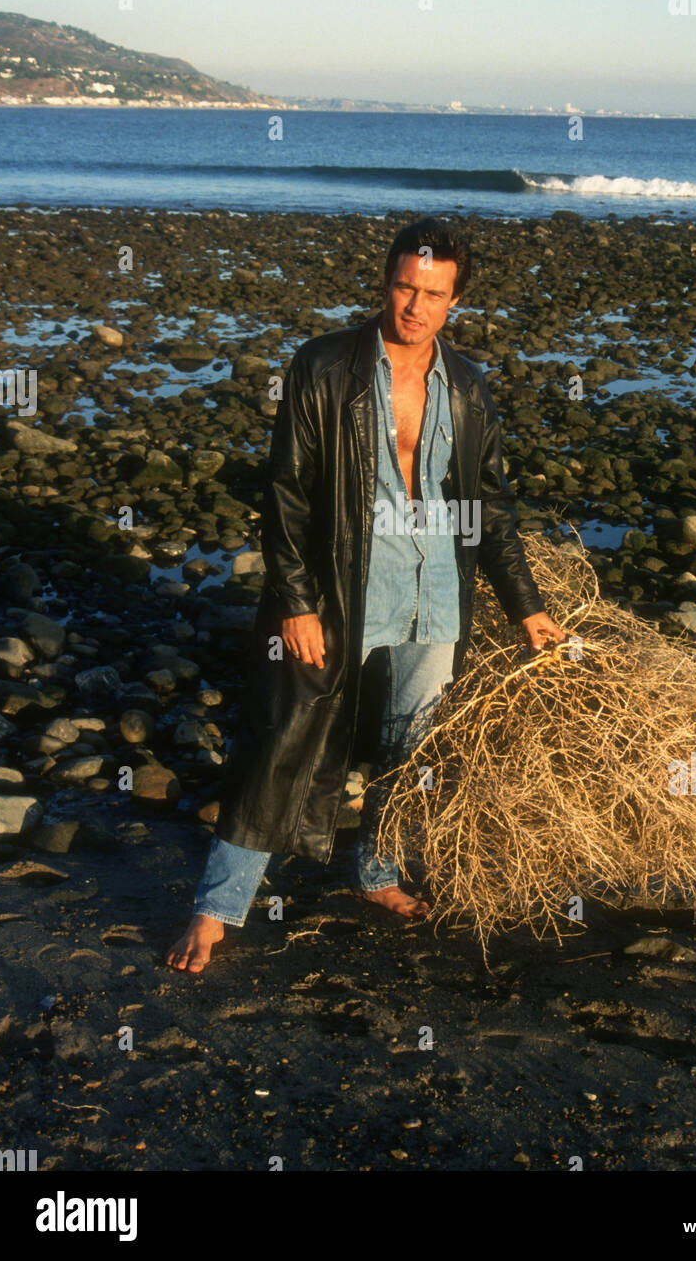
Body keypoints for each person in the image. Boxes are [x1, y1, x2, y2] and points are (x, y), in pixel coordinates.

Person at [166, 217, 564, 973]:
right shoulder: (324, 367)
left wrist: (525, 605)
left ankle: (375, 871)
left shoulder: (469, 386)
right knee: (284, 736)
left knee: (410, 747)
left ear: (455, 302)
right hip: (346, 588)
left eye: (434, 294)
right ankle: (216, 909)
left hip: (437, 591)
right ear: (385, 281)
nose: (415, 305)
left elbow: (490, 503)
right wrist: (294, 599)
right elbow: (285, 495)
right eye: (405, 287)